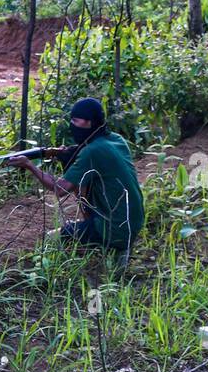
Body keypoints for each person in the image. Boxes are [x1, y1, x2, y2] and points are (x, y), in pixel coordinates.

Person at [11, 97, 144, 257]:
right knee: (85, 188)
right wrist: (65, 154)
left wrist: (29, 165)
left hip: (114, 229)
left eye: (75, 121)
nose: (72, 125)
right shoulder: (116, 139)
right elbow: (85, 153)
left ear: (89, 123)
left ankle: (104, 251)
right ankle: (116, 252)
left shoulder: (91, 151)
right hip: (133, 224)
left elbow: (59, 189)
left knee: (49, 239)